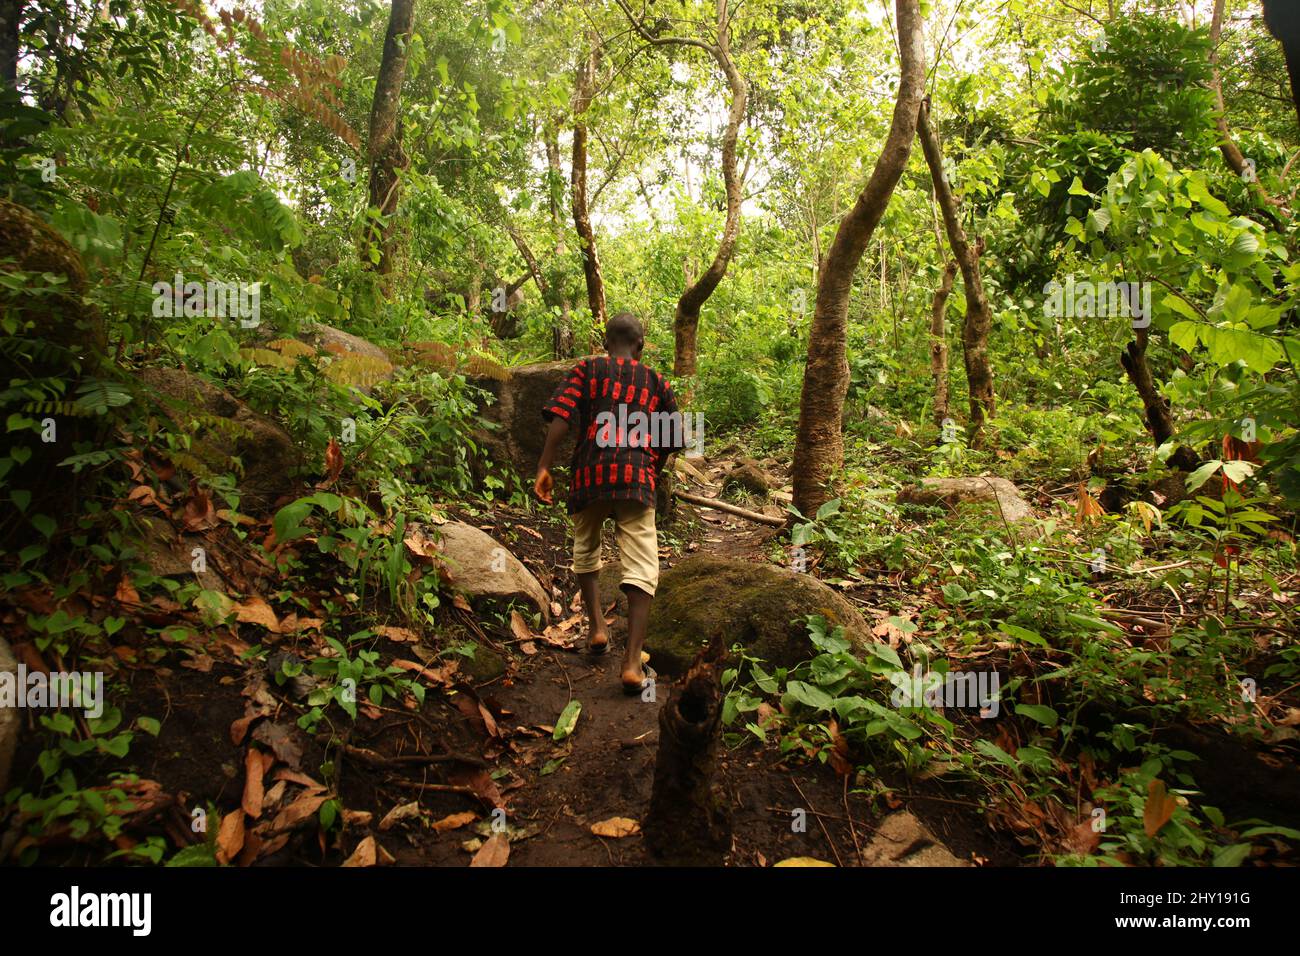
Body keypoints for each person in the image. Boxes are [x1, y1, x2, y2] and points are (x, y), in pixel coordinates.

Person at [534, 312, 685, 694]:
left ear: (605, 342)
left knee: (586, 549)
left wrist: (544, 466)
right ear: (641, 346)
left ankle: (597, 627)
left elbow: (562, 416)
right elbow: (672, 437)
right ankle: (632, 663)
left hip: (590, 476)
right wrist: (652, 466)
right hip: (636, 481)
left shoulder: (586, 370)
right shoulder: (655, 380)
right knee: (641, 566)